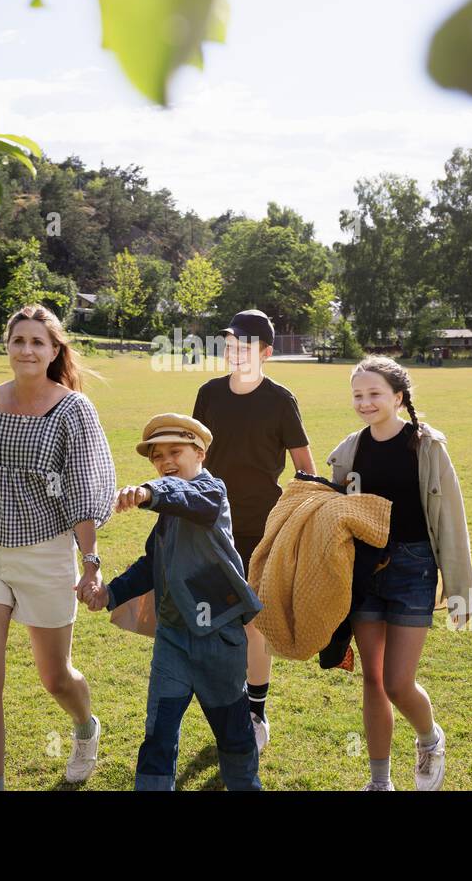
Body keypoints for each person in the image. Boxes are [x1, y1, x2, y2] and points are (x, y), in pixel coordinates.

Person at [0, 304, 117, 790]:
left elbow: (82, 492)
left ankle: (84, 726)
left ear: (55, 350)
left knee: (55, 676)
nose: (27, 349)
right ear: (7, 347)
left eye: (38, 342)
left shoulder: (73, 410)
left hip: (46, 552)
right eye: (19, 341)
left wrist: (91, 562)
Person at [82, 414, 263, 791]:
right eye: (157, 456)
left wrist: (151, 492)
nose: (165, 461)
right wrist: (109, 593)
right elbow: (152, 564)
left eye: (175, 452)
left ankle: (246, 785)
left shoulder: (212, 493)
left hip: (219, 638)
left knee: (233, 732)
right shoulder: (167, 511)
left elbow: (187, 498)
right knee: (159, 734)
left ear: (199, 453)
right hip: (172, 640)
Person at [325, 355, 472, 791]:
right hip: (364, 571)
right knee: (372, 679)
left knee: (397, 681)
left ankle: (430, 739)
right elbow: (335, 516)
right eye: (358, 395)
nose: (365, 402)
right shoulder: (350, 449)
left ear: (397, 397)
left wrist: (460, 585)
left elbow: (451, 519)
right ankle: (379, 783)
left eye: (374, 394)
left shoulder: (426, 446)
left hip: (414, 568)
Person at [192, 309, 315, 752]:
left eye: (244, 346)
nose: (234, 353)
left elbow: (304, 468)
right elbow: (194, 457)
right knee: (211, 620)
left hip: (261, 529)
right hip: (209, 525)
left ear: (265, 352)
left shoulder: (281, 400)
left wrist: (301, 523)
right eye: (229, 344)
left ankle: (255, 712)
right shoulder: (208, 394)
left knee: (253, 623)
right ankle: (227, 701)